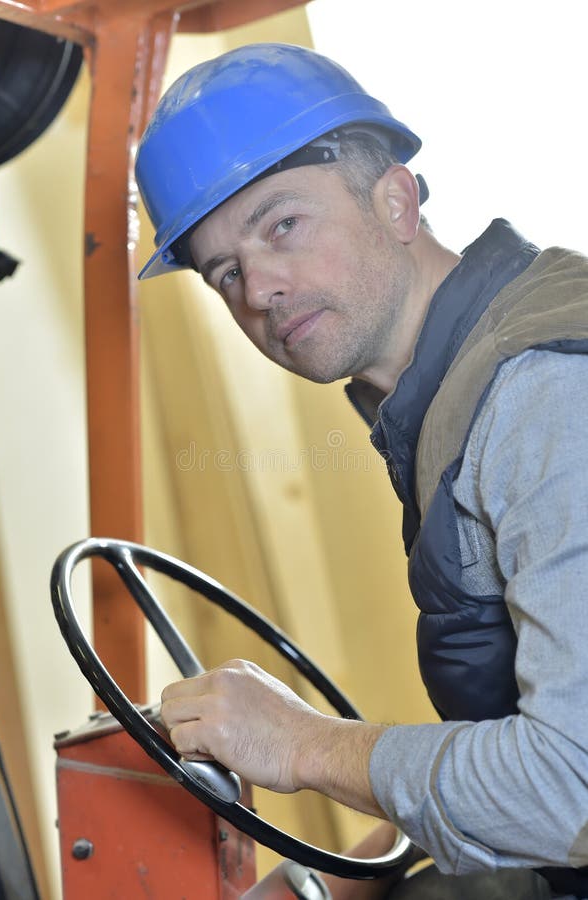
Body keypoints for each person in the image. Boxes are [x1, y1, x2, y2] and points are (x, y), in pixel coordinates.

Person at [135, 43, 588, 899]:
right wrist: (336, 877)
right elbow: (517, 728)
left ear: (396, 200)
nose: (259, 287)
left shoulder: (546, 396)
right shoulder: (452, 390)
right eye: (224, 271)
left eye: (282, 225)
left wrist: (303, 744)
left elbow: (570, 784)